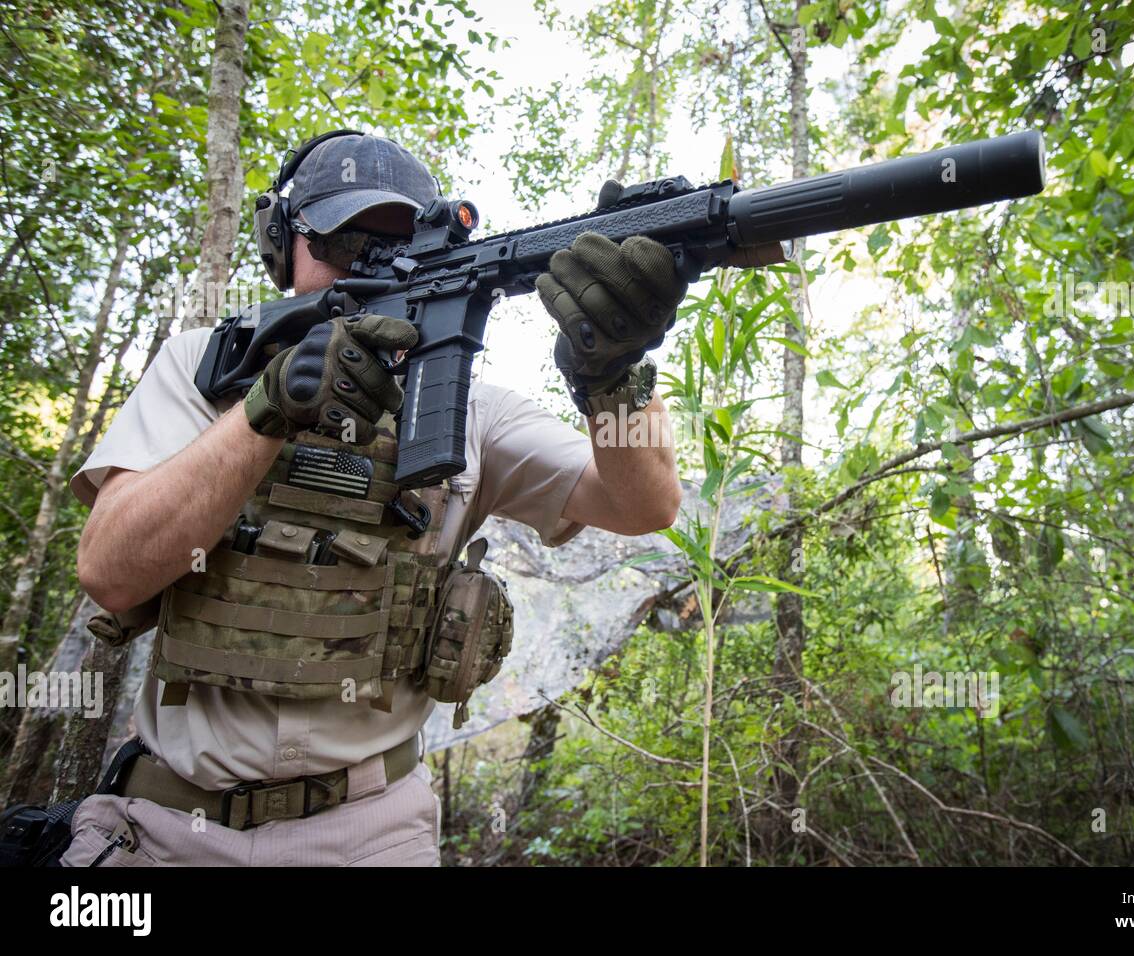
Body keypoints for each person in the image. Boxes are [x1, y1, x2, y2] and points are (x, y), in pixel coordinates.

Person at [61, 131, 684, 866]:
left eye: (392, 244)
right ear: (280, 243)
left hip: (370, 832)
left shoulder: (472, 409)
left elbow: (642, 505)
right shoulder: (204, 368)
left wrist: (613, 376)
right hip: (164, 825)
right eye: (343, 242)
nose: (371, 267)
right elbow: (110, 569)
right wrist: (268, 407)